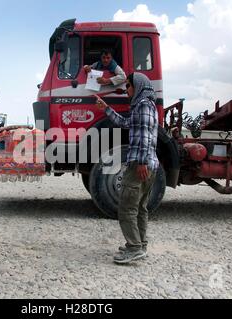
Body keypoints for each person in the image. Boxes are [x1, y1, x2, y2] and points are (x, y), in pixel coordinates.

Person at [95, 72, 159, 265]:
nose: (126, 90)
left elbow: (144, 136)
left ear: (138, 86)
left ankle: (134, 248)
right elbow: (125, 123)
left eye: (128, 86)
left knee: (127, 208)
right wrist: (106, 109)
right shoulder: (145, 105)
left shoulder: (143, 106)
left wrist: (141, 162)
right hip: (149, 164)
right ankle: (140, 244)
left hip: (140, 165)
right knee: (140, 208)